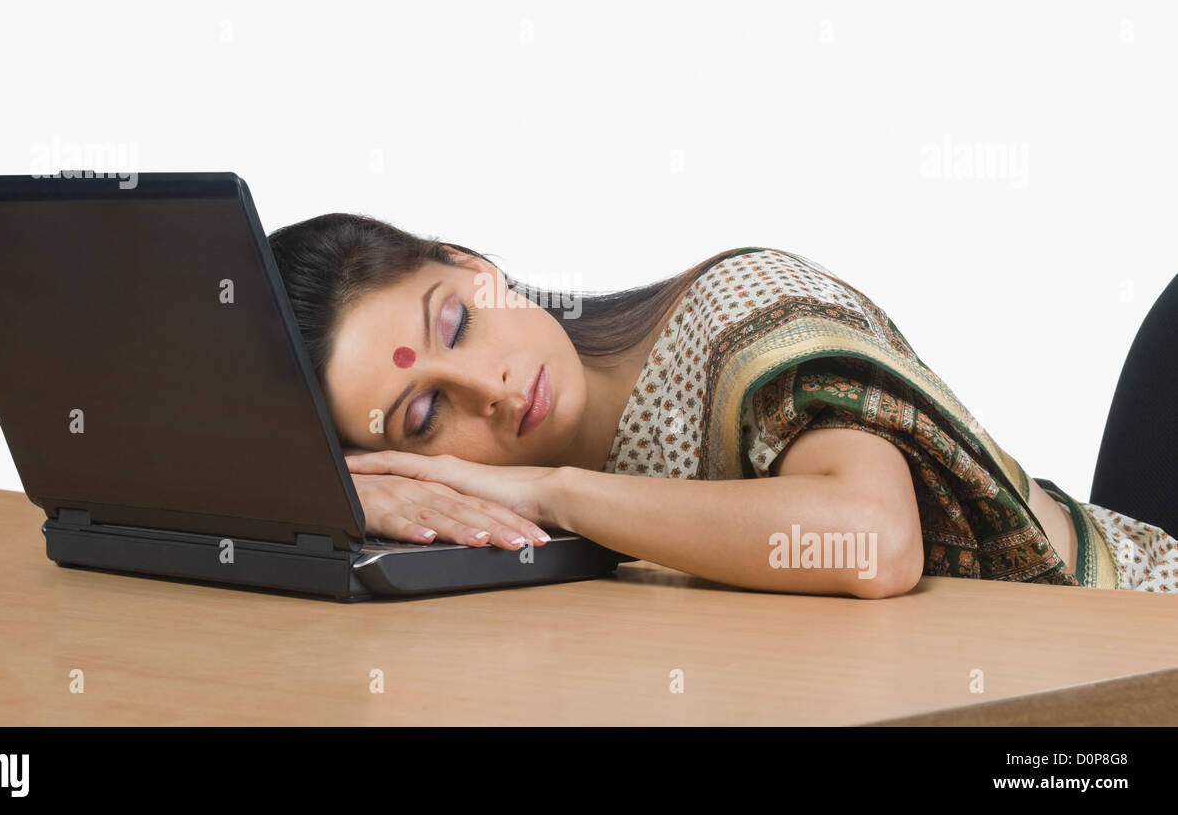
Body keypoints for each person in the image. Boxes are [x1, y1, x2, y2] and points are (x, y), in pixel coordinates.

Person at [268, 213, 1178, 596]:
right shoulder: (485, 507)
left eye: (459, 321)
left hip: (1125, 660)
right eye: (424, 417)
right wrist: (350, 499)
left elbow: (873, 542)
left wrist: (551, 493)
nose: (492, 390)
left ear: (474, 263)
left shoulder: (744, 314)